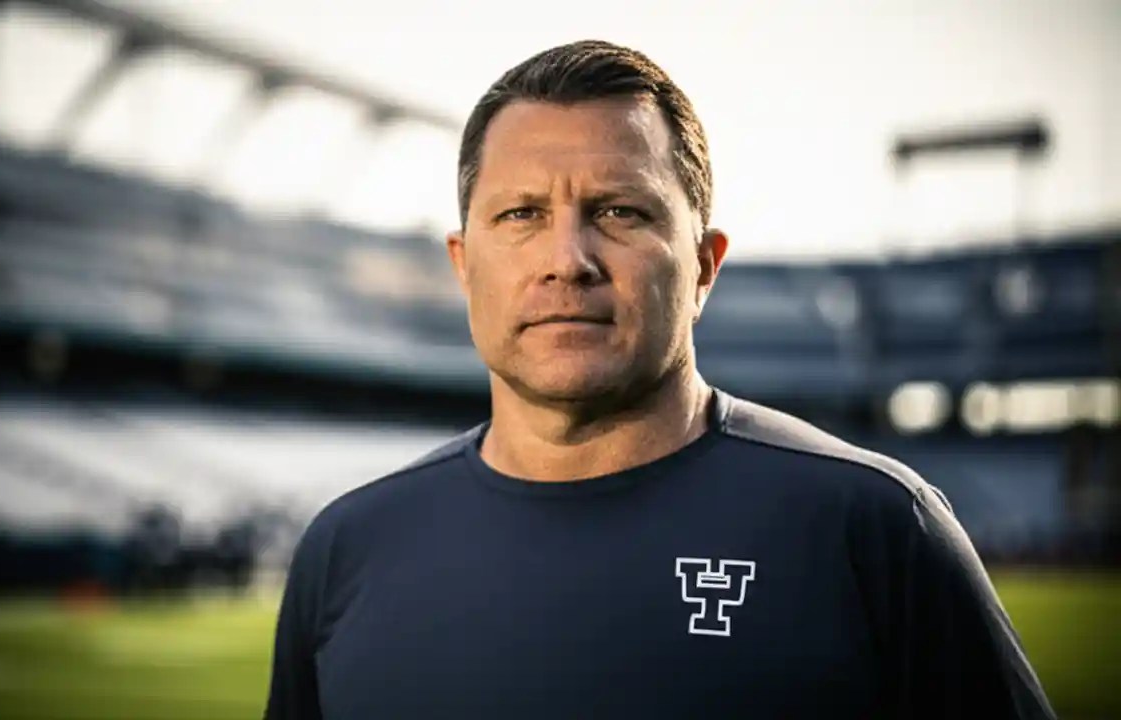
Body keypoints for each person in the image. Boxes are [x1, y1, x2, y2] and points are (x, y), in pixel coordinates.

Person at [265, 40, 1054, 719]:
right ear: (463, 266)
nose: (566, 261)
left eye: (620, 213)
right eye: (520, 216)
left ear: (705, 266)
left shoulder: (879, 531)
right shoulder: (345, 550)